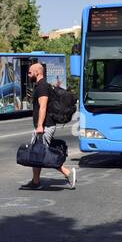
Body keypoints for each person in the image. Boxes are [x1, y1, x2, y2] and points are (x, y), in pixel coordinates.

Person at [19, 61, 75, 190]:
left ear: (37, 72)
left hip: (45, 126)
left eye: (29, 72)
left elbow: (43, 107)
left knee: (41, 153)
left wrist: (40, 126)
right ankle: (36, 181)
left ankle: (67, 172)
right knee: (37, 152)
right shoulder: (42, 85)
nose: (28, 75)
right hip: (45, 126)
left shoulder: (42, 86)